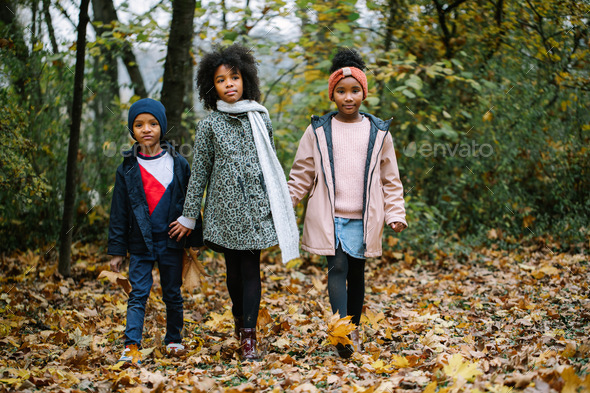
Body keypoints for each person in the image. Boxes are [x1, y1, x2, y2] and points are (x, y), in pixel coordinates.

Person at [169, 44, 299, 361]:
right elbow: (199, 173)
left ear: (246, 80)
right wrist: (189, 216)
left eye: (235, 77)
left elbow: (271, 163)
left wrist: (279, 202)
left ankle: (249, 339)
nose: (229, 84)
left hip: (256, 209)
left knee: (252, 271)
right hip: (223, 213)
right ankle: (240, 321)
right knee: (233, 275)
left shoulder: (261, 119)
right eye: (221, 80)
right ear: (211, 87)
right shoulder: (209, 126)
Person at [287, 48, 407, 359]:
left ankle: (352, 326)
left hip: (365, 217)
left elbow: (390, 178)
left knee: (357, 273)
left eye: (355, 90)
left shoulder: (378, 132)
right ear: (333, 94)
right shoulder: (318, 130)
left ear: (363, 93)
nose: (348, 97)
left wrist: (396, 212)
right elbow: (302, 171)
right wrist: (288, 201)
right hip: (331, 215)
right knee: (337, 268)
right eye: (341, 91)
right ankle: (341, 334)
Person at [108, 98, 203, 364]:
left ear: (162, 127)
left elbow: (190, 200)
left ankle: (174, 340)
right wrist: (117, 250)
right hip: (139, 244)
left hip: (172, 240)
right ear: (132, 130)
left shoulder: (178, 163)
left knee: (172, 292)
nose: (146, 129)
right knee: (138, 293)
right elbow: (119, 213)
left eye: (152, 123)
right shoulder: (126, 168)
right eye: (139, 125)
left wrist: (194, 239)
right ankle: (131, 346)